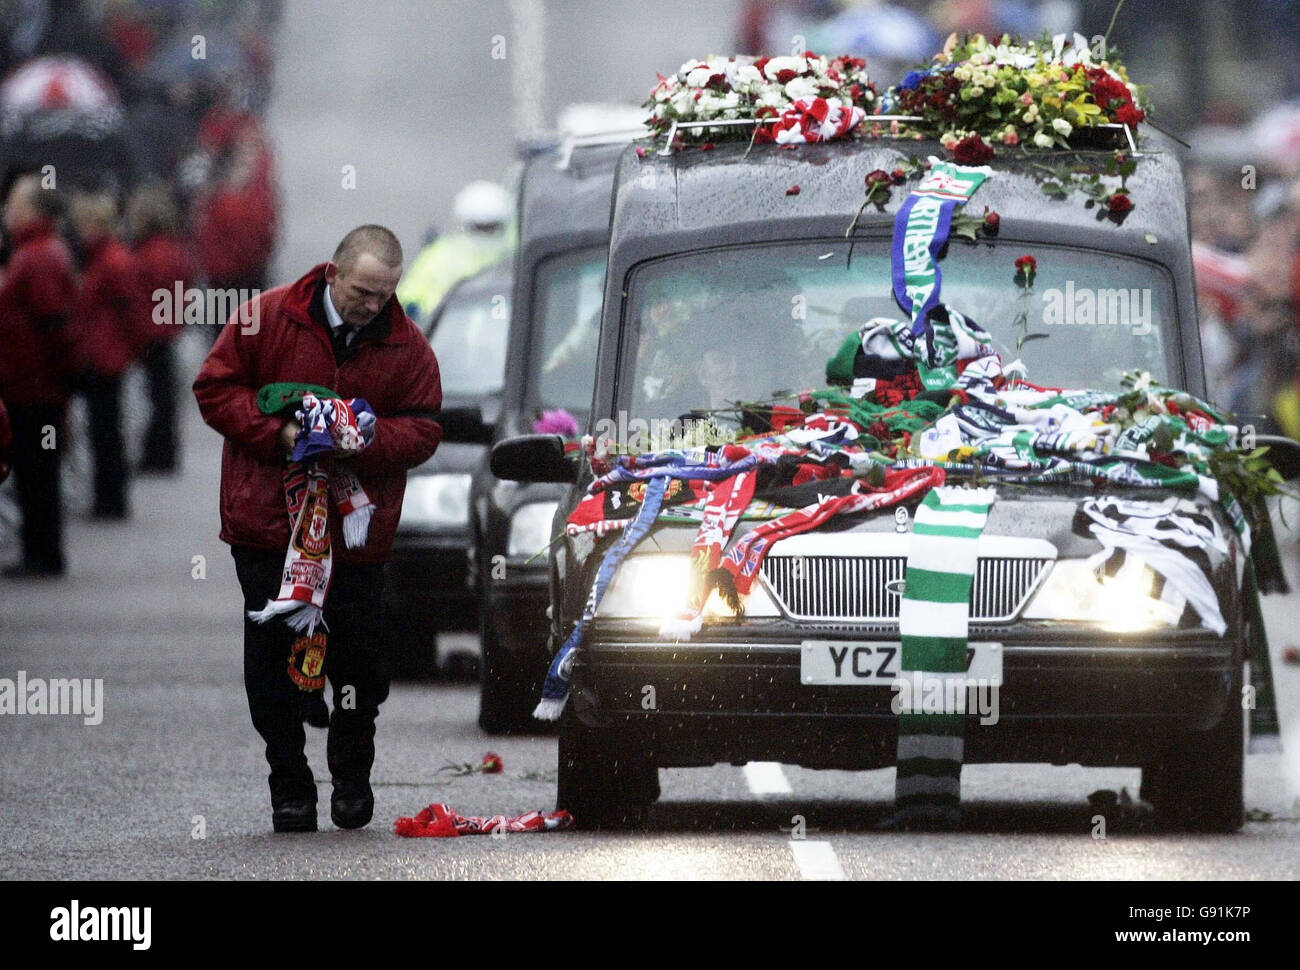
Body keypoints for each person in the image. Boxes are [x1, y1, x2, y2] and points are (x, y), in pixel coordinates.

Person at [192, 225, 442, 833]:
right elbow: (214, 388)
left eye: (385, 295)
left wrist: (369, 440)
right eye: (362, 292)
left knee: (360, 668)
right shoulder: (265, 317)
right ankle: (290, 782)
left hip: (355, 542)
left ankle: (351, 772)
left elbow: (426, 426)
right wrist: (277, 434)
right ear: (332, 274)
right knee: (272, 665)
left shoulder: (407, 347)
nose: (373, 306)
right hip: (268, 531)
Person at [0, 171, 77, 577]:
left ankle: (43, 554)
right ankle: (39, 550)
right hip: (35, 383)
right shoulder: (41, 251)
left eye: (12, 203)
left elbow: (54, 323)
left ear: (30, 209)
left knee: (37, 472)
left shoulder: (36, 255)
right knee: (37, 471)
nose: (6, 211)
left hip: (34, 386)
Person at [69, 189, 144, 520]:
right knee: (104, 431)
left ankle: (110, 500)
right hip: (104, 353)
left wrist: (123, 348)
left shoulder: (110, 260)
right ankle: (108, 497)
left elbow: (130, 311)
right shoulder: (104, 258)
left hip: (104, 356)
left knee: (106, 431)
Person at [126, 182, 194, 473]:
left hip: (151, 331)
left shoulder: (147, 254)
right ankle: (163, 452)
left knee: (158, 396)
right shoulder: (174, 249)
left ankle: (158, 453)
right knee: (163, 395)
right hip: (166, 329)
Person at [395, 180, 511, 324]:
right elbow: (411, 292)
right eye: (479, 227)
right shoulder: (440, 255)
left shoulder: (513, 255)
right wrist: (414, 311)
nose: (485, 234)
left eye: (491, 228)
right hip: (447, 329)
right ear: (464, 225)